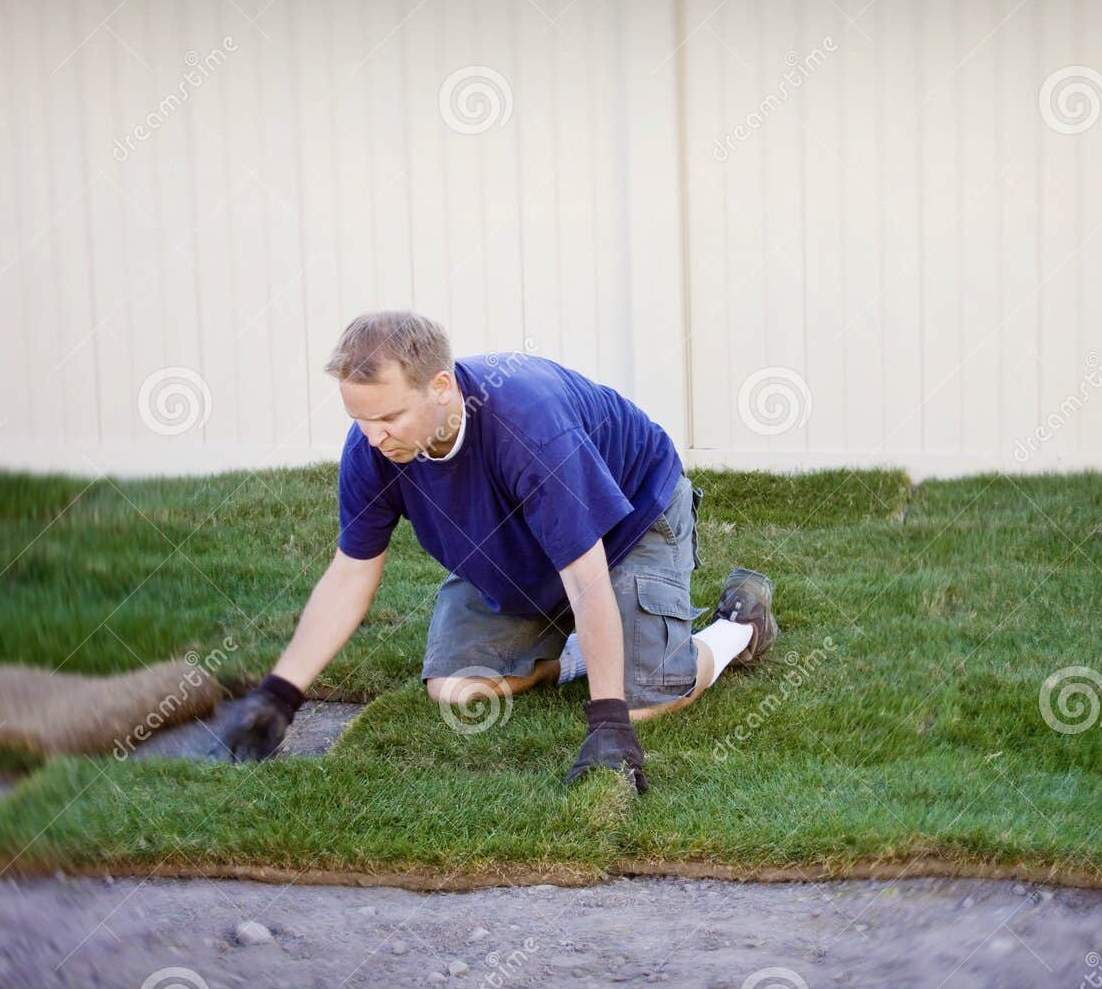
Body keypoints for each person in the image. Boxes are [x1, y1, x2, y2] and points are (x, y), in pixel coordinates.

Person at [217, 311, 777, 792]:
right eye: (359, 420)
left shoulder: (529, 427)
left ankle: (739, 627)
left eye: (388, 417)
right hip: (521, 546)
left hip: (627, 520)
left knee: (643, 701)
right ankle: (587, 650)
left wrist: (608, 722)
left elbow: (586, 578)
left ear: (441, 387)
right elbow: (349, 576)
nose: (373, 436)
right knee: (456, 689)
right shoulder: (373, 451)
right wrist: (280, 694)